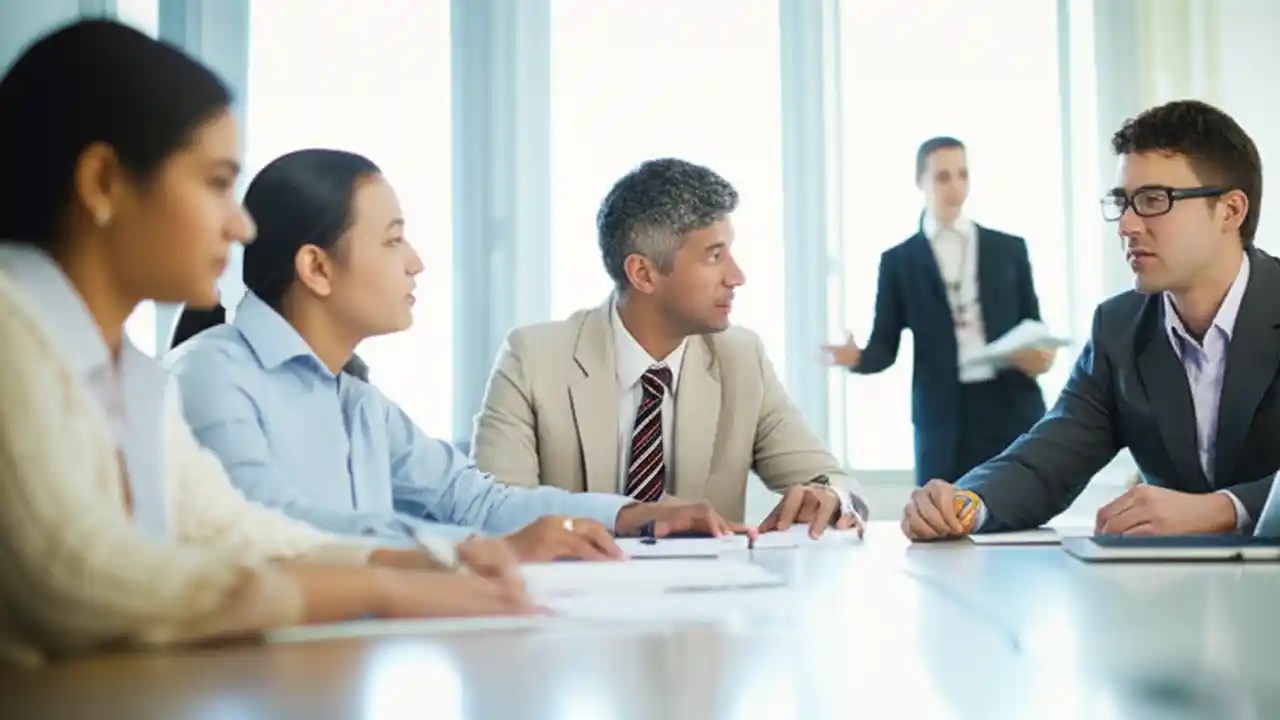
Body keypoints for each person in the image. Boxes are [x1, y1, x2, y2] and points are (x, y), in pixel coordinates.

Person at [0, 20, 530, 665]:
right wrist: (379, 587)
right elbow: (77, 579)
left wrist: (415, 561)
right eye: (216, 183)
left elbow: (232, 531)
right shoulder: (13, 335)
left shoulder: (128, 372)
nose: (242, 223)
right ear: (105, 183)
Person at [167, 150, 741, 561]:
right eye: (393, 239)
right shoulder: (211, 375)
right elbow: (267, 524)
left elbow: (473, 499)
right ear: (317, 268)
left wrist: (631, 516)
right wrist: (475, 550)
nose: (415, 261)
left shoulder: (357, 401)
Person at [902, 100, 1279, 540]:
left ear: (1231, 211)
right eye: (1123, 202)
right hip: (1176, 593)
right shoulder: (1118, 328)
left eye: (1154, 200)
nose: (1128, 225)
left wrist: (1222, 510)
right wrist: (965, 504)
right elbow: (1047, 457)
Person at [473, 158, 867, 536]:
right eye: (715, 256)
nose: (737, 276)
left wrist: (831, 498)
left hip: (705, 602)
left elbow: (834, 481)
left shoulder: (742, 359)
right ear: (643, 273)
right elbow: (495, 515)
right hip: (570, 598)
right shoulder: (532, 358)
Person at [823, 137, 1055, 486]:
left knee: (1020, 509)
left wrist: (1040, 354)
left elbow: (1033, 324)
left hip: (1010, 405)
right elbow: (885, 346)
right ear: (921, 181)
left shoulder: (1008, 249)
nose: (955, 186)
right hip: (943, 414)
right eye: (943, 177)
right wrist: (857, 358)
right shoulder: (899, 261)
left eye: (962, 174)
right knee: (942, 520)